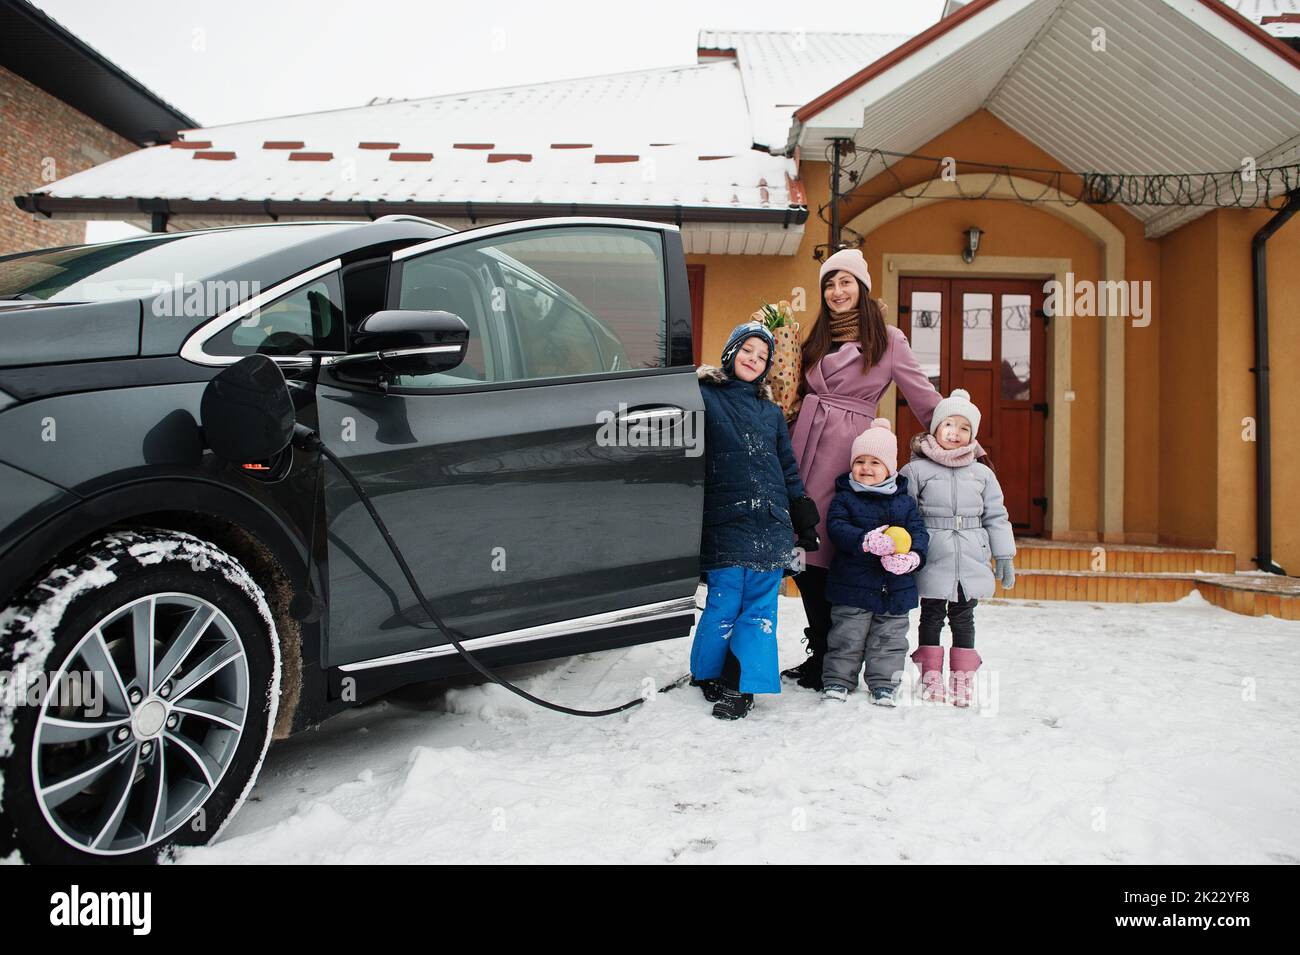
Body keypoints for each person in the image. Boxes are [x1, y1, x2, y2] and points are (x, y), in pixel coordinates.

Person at [785, 248, 943, 690]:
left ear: (862, 287)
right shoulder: (814, 338)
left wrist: (955, 435)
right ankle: (822, 651)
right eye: (829, 284)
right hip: (805, 447)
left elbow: (922, 394)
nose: (837, 292)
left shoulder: (888, 339)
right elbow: (788, 392)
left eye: (845, 282)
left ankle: (837, 656)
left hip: (852, 454)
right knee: (806, 552)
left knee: (839, 548)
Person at [689, 321, 821, 720]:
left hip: (771, 521)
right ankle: (708, 672)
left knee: (760, 610)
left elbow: (787, 466)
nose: (754, 359)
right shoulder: (705, 396)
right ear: (730, 352)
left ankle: (740, 685)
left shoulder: (771, 413)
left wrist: (803, 513)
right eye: (747, 350)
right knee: (723, 604)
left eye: (763, 356)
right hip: (725, 520)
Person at [898, 389, 1016, 707]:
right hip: (933, 552)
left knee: (964, 617)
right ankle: (930, 676)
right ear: (936, 428)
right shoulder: (915, 471)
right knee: (932, 615)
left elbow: (996, 515)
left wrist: (1004, 554)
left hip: (970, 555)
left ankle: (962, 679)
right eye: (949, 424)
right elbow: (903, 513)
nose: (956, 432)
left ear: (972, 436)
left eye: (964, 428)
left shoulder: (982, 474)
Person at [821, 418, 929, 705]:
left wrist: (912, 558)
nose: (866, 468)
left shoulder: (904, 502)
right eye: (860, 461)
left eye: (874, 463)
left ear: (890, 469)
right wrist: (865, 540)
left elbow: (919, 533)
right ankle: (838, 680)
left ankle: (884, 684)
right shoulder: (845, 498)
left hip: (894, 586)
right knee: (847, 636)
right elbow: (837, 527)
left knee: (890, 639)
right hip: (852, 584)